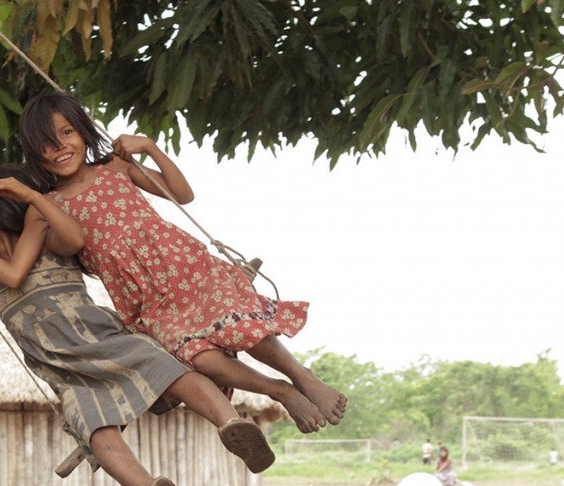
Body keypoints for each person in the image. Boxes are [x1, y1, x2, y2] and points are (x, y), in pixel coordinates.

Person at [0, 165, 277, 486]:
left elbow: (70, 241)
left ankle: (232, 425)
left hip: (105, 340)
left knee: (170, 371)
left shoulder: (46, 241)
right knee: (96, 430)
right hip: (68, 373)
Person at [17, 92, 346, 434]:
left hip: (187, 267)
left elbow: (182, 194)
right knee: (200, 359)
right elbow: (30, 260)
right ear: (34, 152)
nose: (59, 148)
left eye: (66, 133)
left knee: (244, 328)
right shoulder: (47, 205)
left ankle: (299, 374)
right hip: (147, 300)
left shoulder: (115, 168)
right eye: (46, 143)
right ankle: (279, 389)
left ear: (84, 130)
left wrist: (150, 147)